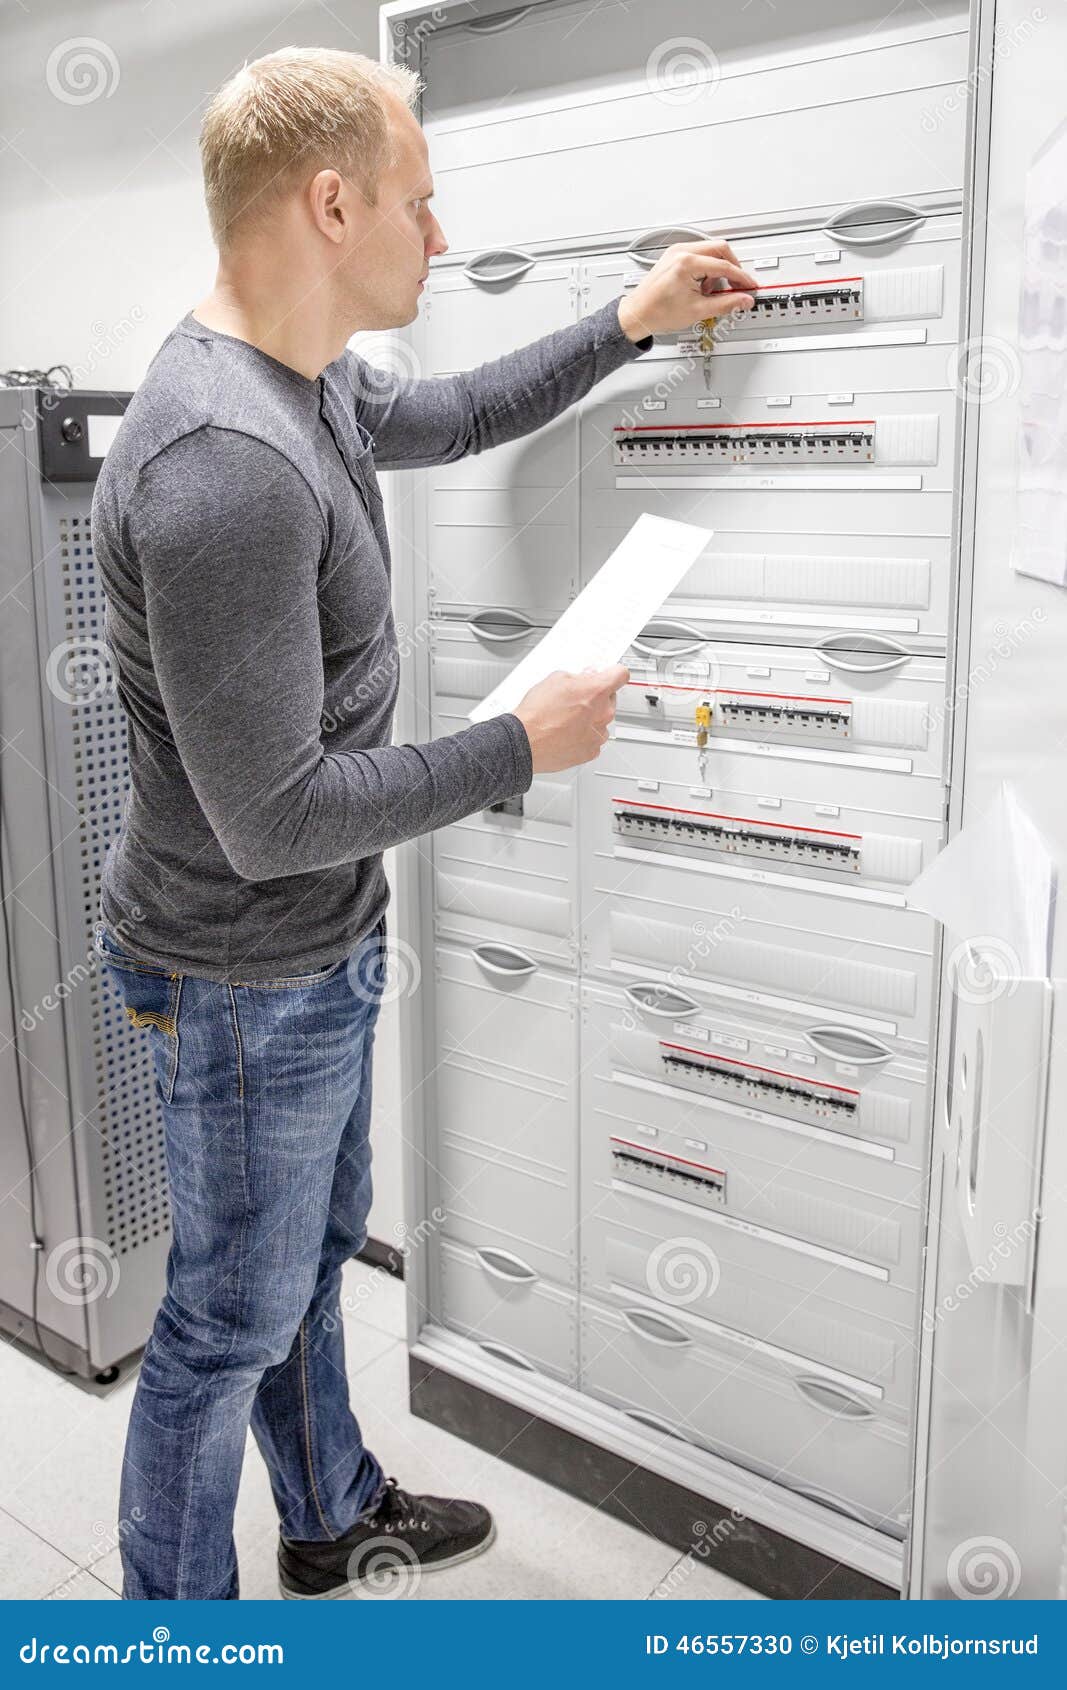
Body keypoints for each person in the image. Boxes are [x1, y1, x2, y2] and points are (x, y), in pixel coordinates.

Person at [89, 44, 756, 1601]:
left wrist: (624, 322)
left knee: (307, 1266)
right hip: (243, 967)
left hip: (315, 946)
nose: (440, 238)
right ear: (332, 204)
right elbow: (270, 818)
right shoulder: (223, 463)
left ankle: (329, 1516)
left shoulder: (297, 379)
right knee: (216, 1328)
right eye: (420, 203)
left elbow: (447, 414)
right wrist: (516, 744)